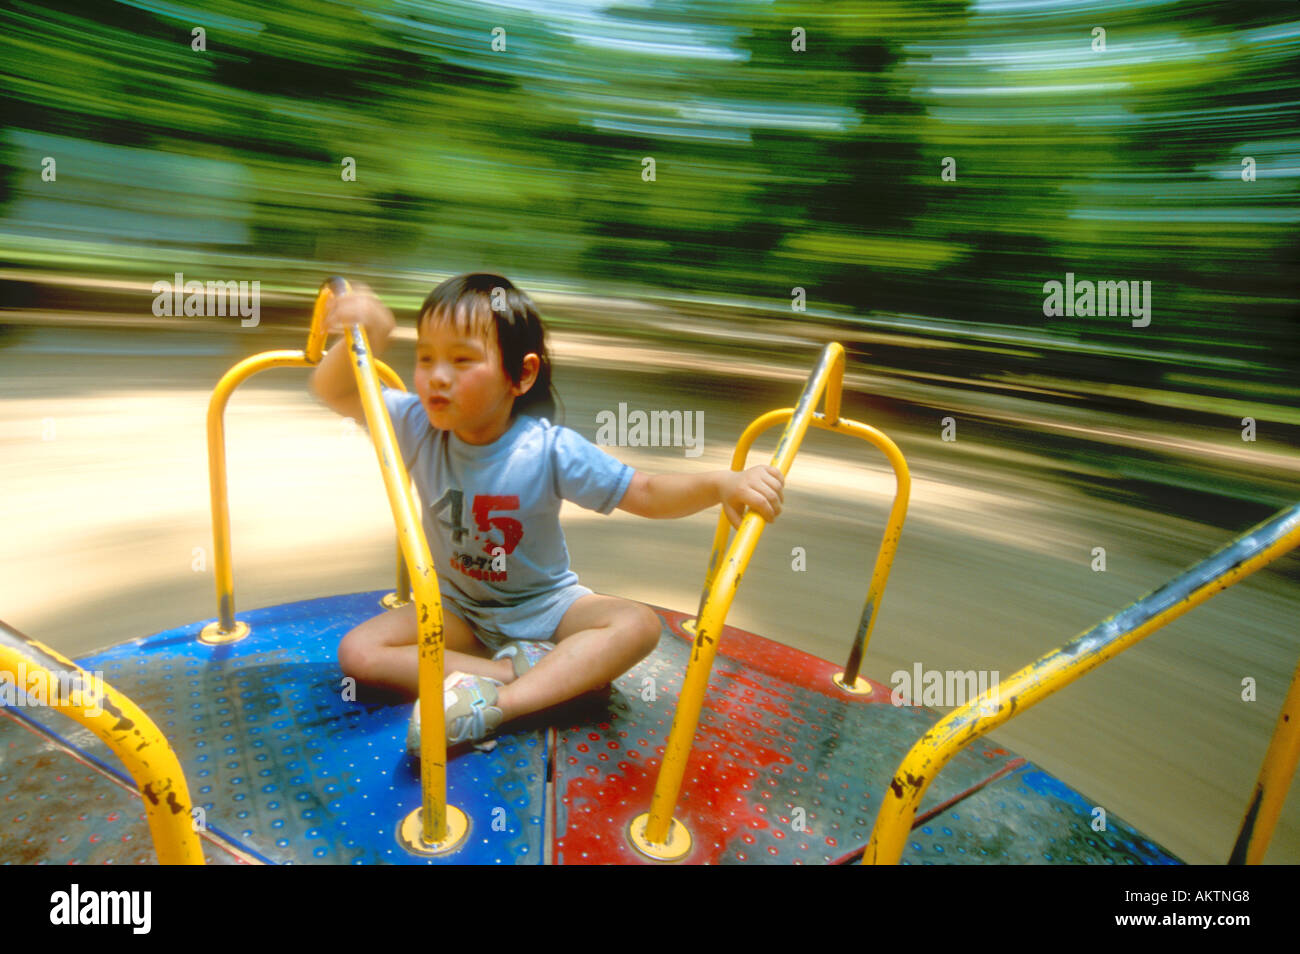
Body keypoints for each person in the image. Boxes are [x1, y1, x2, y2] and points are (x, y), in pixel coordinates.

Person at [310, 273, 784, 748]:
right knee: (359, 652)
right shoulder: (417, 426)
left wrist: (723, 483)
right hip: (457, 610)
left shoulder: (549, 450)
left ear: (522, 374)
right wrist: (369, 338)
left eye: (461, 359)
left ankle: (498, 708)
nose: (436, 375)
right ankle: (517, 675)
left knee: (636, 624)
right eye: (425, 357)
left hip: (546, 608)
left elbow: (646, 491)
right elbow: (337, 391)